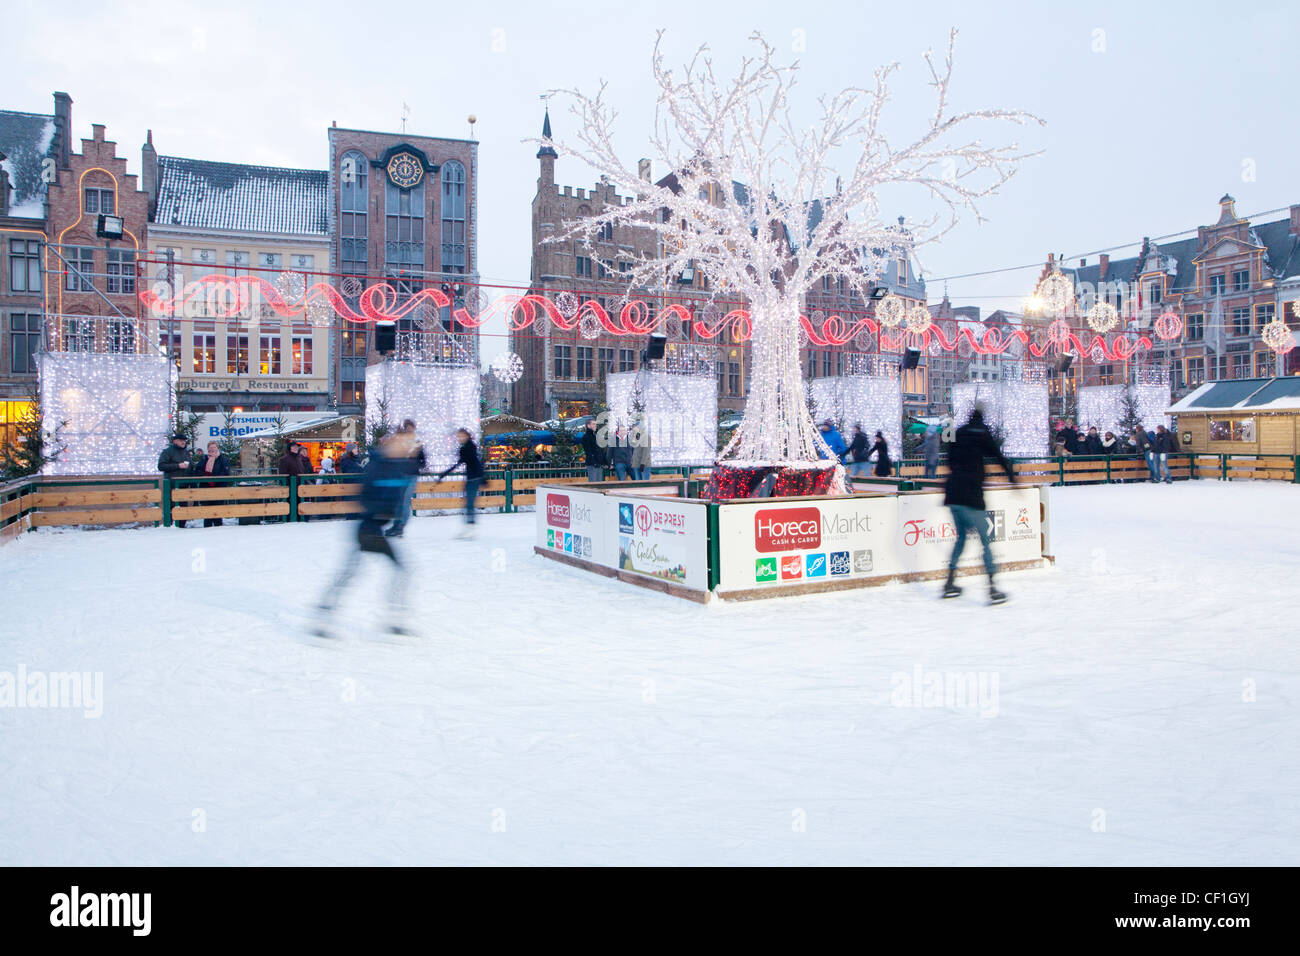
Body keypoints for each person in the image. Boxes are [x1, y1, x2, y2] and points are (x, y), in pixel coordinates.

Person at [314, 430, 418, 637]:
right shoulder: (376, 467)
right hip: (367, 529)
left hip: (375, 529)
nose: (402, 449)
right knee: (364, 573)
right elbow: (362, 496)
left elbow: (411, 473)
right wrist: (378, 511)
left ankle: (325, 613)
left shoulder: (395, 467)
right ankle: (325, 616)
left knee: (353, 573)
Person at [942, 405, 1016, 604]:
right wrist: (1011, 478)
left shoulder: (959, 432)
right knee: (986, 542)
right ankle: (992, 588)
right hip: (971, 495)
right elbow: (998, 456)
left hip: (952, 494)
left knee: (961, 539)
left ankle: (949, 583)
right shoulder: (982, 433)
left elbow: (948, 458)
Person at [436, 427, 484, 538]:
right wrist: (444, 474)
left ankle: (471, 528)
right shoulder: (464, 448)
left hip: (474, 478)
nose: (459, 438)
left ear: (467, 436)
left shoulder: (470, 447)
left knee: (469, 503)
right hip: (470, 478)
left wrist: (482, 477)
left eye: (461, 436)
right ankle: (468, 527)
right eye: (458, 436)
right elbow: (459, 463)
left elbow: (477, 462)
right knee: (467, 503)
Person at [386, 420, 427, 537]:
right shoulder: (401, 442)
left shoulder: (417, 443)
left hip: (412, 475)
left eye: (411, 429)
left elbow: (424, 461)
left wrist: (416, 464)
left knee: (405, 501)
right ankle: (396, 524)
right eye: (407, 429)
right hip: (401, 474)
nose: (409, 431)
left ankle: (400, 526)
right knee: (399, 501)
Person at [158, 433, 194, 528]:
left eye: (184, 440)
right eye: (181, 440)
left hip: (184, 485)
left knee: (183, 508)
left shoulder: (186, 452)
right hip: (172, 485)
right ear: (175, 441)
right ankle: (170, 527)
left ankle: (182, 527)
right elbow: (161, 466)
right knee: (172, 507)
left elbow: (190, 467)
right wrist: (178, 466)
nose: (183, 442)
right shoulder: (168, 452)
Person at [195, 440, 230, 528]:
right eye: (210, 448)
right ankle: (207, 528)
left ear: (217, 448)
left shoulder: (223, 459)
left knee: (218, 509)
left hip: (219, 487)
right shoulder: (204, 459)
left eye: (214, 447)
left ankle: (218, 527)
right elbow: (198, 471)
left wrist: (216, 478)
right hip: (206, 487)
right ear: (208, 449)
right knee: (207, 510)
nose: (212, 449)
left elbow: (226, 472)